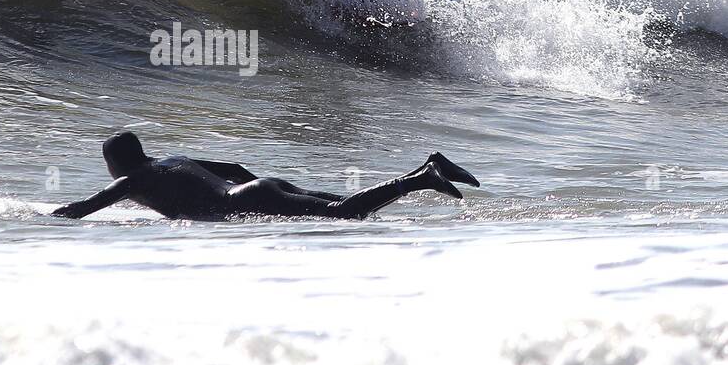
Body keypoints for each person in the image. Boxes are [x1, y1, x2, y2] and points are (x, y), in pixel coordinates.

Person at [52, 131, 480, 221]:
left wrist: (29, 216)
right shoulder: (173, 161)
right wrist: (268, 191)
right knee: (346, 208)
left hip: (250, 199)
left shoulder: (131, 181)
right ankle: (428, 167)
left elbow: (82, 209)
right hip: (257, 188)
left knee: (345, 213)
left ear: (117, 163)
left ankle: (424, 176)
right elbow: (237, 170)